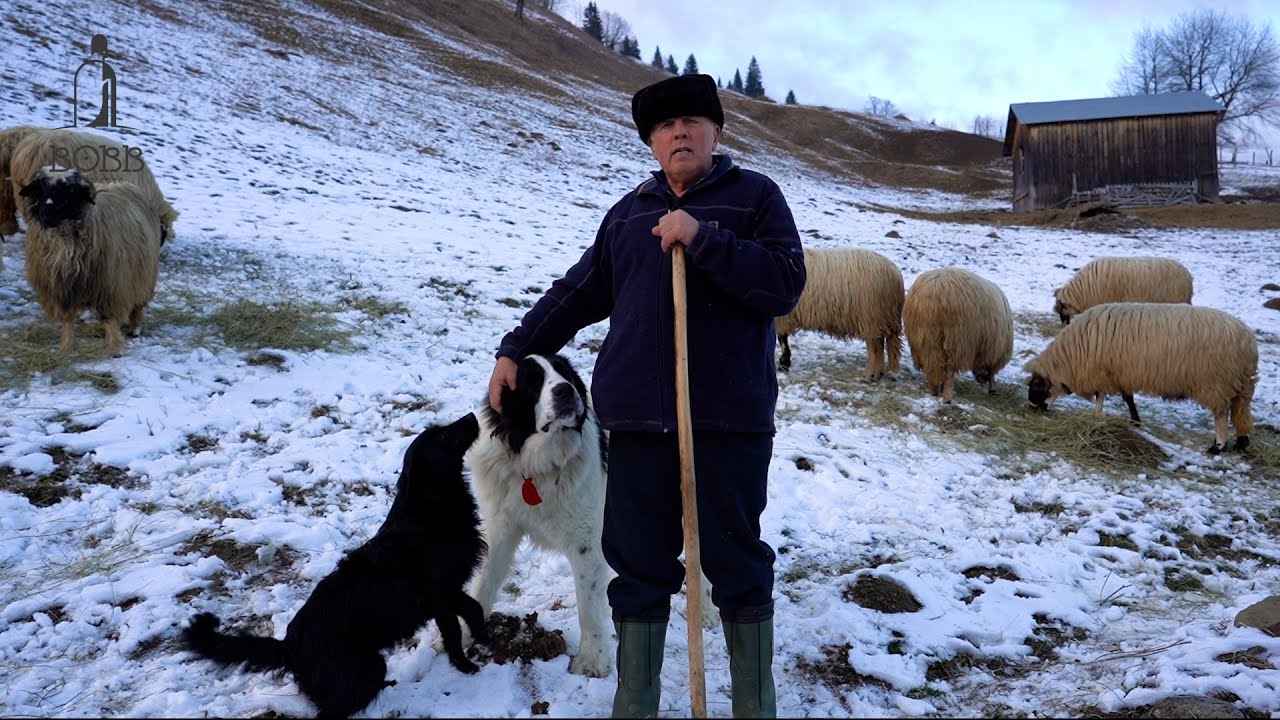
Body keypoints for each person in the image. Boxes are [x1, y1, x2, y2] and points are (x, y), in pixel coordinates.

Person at [486, 73, 805, 718]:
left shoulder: (755, 198)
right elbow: (578, 293)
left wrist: (704, 237)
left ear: (716, 132)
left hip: (728, 421)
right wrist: (516, 347)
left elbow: (784, 284)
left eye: (692, 121)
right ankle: (635, 703)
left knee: (735, 560)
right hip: (634, 425)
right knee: (638, 566)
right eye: (664, 126)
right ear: (652, 143)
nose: (679, 132)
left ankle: (754, 706)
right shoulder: (628, 216)